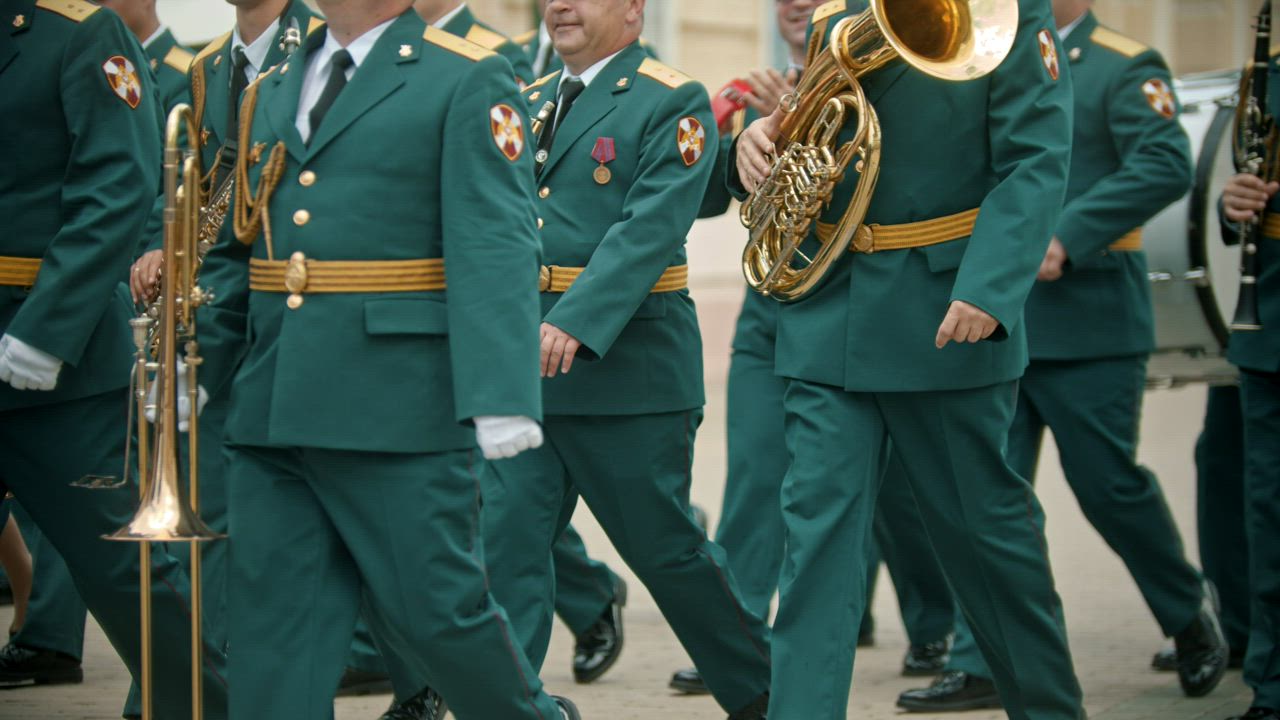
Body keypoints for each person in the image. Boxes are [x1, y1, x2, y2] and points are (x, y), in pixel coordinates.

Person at [192, 0, 578, 717]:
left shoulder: (465, 77)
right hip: (274, 405)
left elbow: (495, 242)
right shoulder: (274, 82)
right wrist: (196, 367)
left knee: (439, 618)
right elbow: (239, 249)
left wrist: (500, 393)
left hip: (400, 407)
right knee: (276, 630)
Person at [732, 0, 1084, 716]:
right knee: (816, 550)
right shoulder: (842, 16)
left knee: (986, 542)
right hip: (830, 312)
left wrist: (990, 284)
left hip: (945, 313)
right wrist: (754, 139)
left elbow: (1035, 159)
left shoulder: (1011, 15)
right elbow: (813, 127)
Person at [896, 0, 1228, 711]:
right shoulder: (975, 49)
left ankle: (1188, 616)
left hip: (1091, 324)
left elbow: (1166, 162)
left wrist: (1069, 235)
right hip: (996, 321)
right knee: (986, 498)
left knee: (1108, 483)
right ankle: (980, 655)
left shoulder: (1122, 63)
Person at [480, 1, 772, 718]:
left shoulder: (670, 99)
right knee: (505, 550)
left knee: (668, 553)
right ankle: (514, 709)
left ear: (634, 12)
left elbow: (649, 228)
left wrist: (577, 317)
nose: (560, 6)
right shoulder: (531, 97)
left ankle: (772, 697)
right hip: (529, 365)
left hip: (627, 374)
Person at [669, 0, 956, 697]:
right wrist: (740, 149)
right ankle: (740, 636)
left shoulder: (906, 71)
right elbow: (696, 188)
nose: (797, 3)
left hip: (867, 307)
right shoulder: (747, 94)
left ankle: (933, 621)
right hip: (775, 306)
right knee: (758, 469)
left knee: (894, 496)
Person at [0, 1, 229, 717]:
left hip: (46, 357)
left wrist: (46, 329)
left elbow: (117, 183)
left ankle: (203, 709)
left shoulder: (77, 31)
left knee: (125, 576)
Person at [1216, 44, 1280, 719]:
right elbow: (1248, 188)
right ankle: (1271, 689)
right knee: (1268, 520)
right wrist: (1233, 206)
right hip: (1271, 330)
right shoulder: (1267, 71)